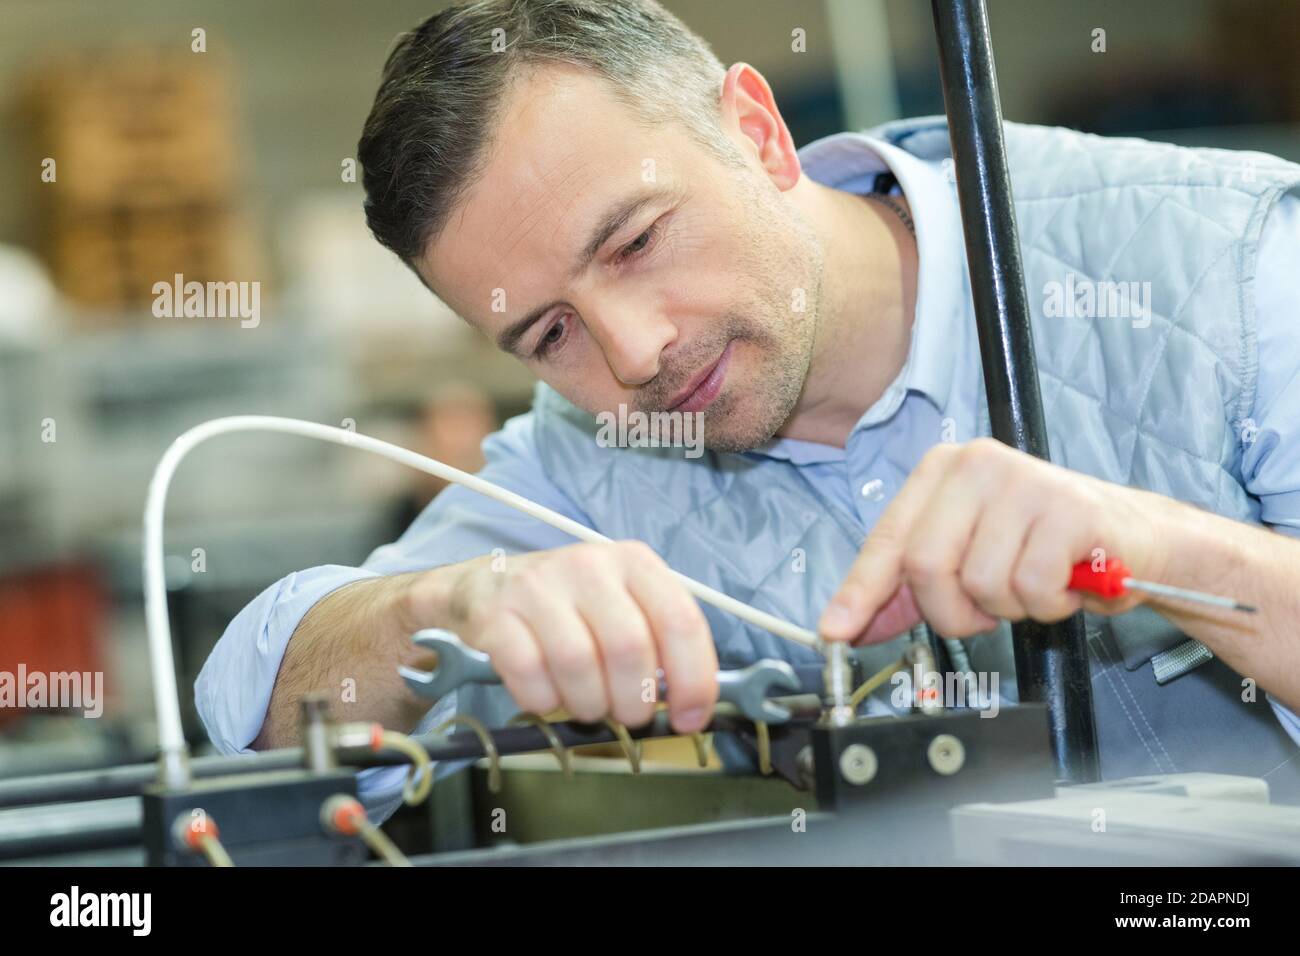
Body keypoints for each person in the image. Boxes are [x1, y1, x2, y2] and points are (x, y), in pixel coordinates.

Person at [197, 0, 1300, 816]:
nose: (635, 354)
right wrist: (433, 610)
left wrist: (1175, 556)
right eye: (548, 334)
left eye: (634, 241)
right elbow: (258, 725)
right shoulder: (591, 464)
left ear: (759, 134)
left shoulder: (1225, 265)